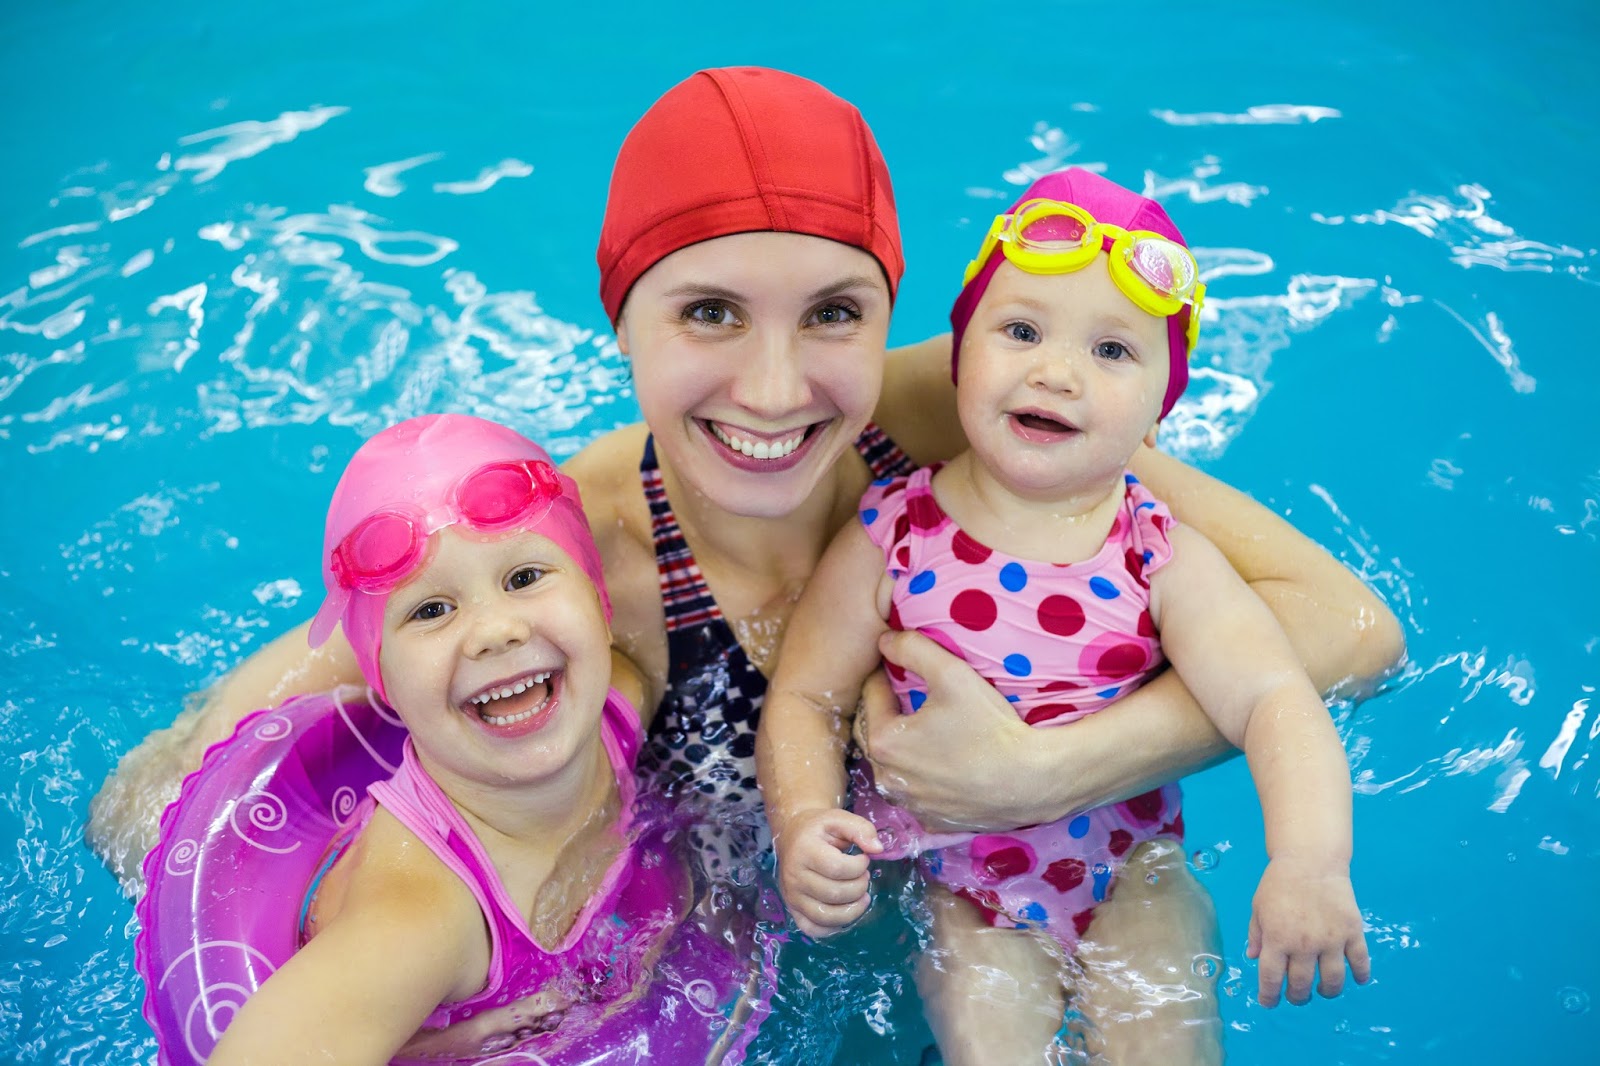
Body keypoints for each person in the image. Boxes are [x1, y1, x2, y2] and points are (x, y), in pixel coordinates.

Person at [89, 65, 1402, 1044]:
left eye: (834, 313)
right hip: (764, 977)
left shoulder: (977, 413)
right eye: (709, 311)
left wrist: (1052, 768)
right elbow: (166, 791)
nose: (775, 390)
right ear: (621, 322)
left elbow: (1351, 632)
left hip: (1053, 887)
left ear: (896, 315)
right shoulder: (563, 552)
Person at [758, 168, 1372, 1062]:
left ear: (1161, 410)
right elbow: (808, 695)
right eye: (1020, 331)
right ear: (959, 357)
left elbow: (1274, 700)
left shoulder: (1161, 555)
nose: (1056, 372)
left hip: (1135, 877)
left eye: (1113, 351)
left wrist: (1309, 863)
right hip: (962, 891)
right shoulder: (893, 535)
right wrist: (804, 823)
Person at [138, 414, 755, 1064]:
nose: (496, 630)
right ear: (384, 681)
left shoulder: (618, 699)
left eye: (524, 577)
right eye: (431, 610)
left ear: (601, 607)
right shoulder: (422, 916)